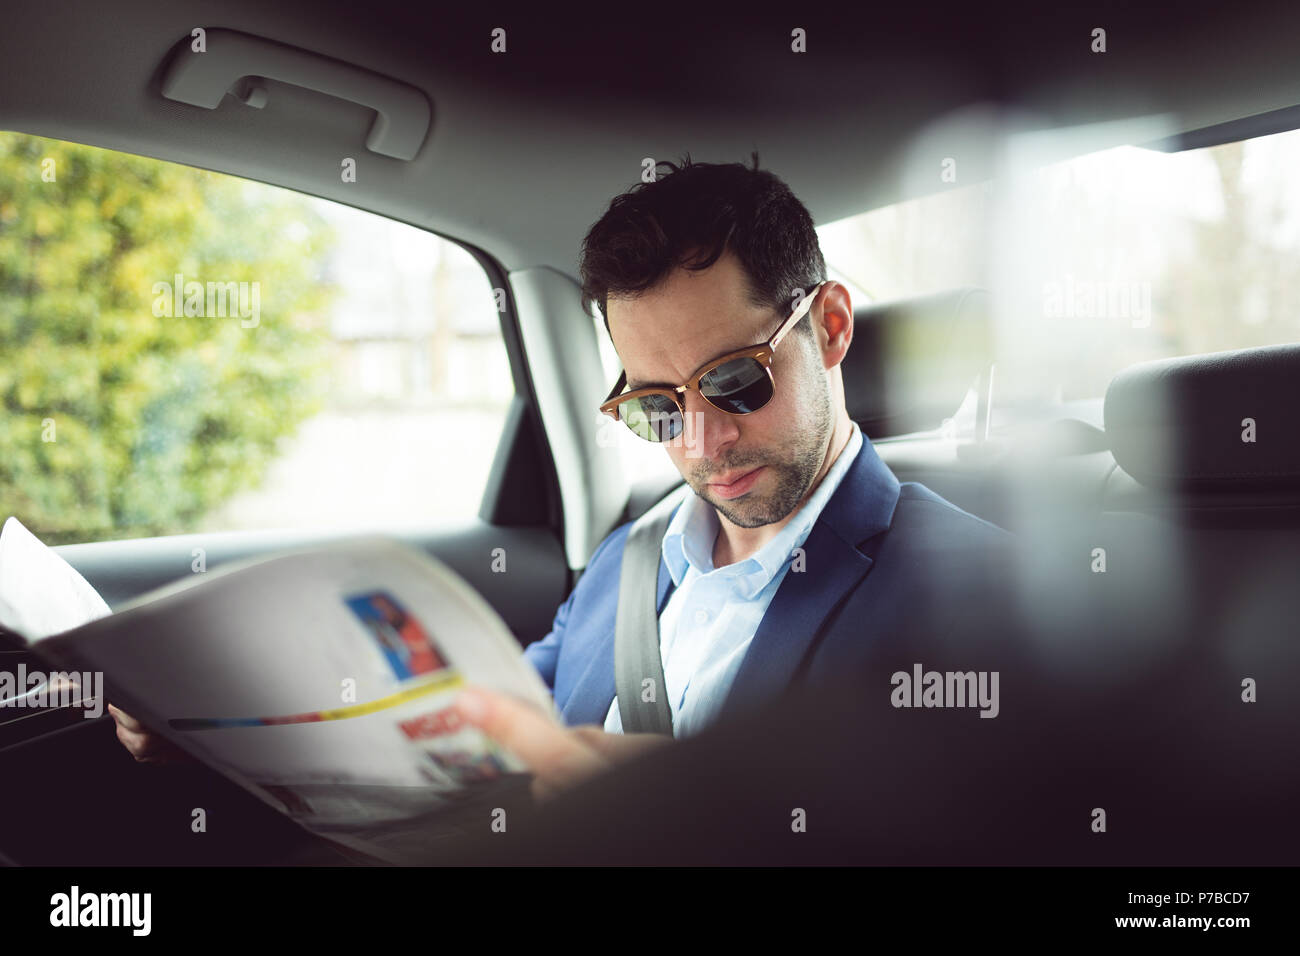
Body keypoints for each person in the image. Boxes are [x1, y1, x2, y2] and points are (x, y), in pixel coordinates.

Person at [112, 155, 1015, 796]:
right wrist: (229, 733)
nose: (700, 443)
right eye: (657, 405)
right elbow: (483, 724)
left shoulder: (981, 594)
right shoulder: (626, 563)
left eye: (735, 383)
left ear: (828, 327)